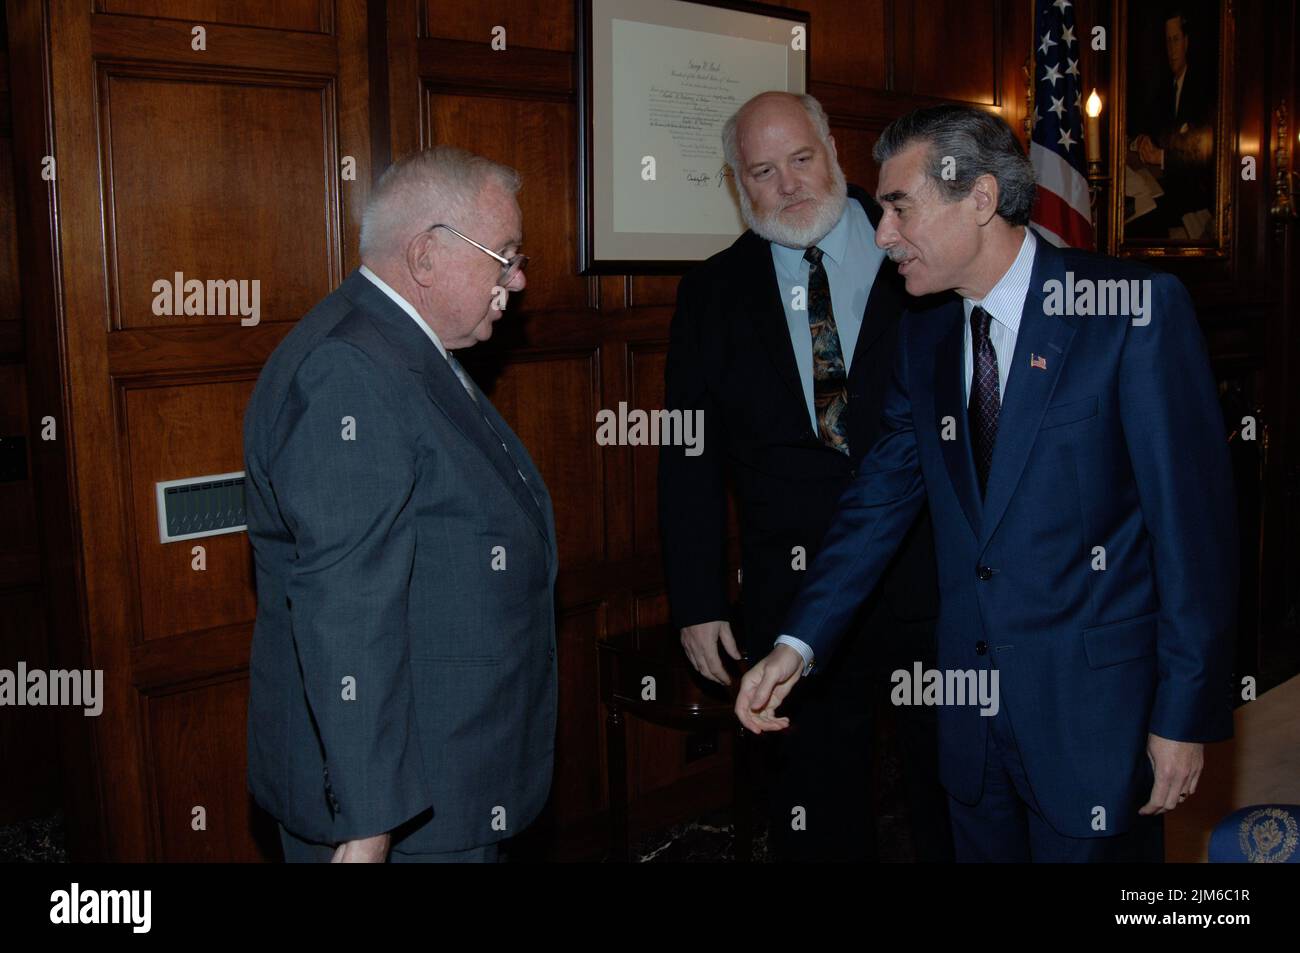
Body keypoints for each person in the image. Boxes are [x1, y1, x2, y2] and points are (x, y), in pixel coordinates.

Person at [737, 105, 1237, 862]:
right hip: (970, 733)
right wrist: (796, 644)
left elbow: (1193, 537)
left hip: (1096, 725)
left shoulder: (1130, 312)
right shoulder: (925, 335)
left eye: (900, 207)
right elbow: (877, 503)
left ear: (977, 199)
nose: (881, 234)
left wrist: (1183, 714)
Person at [243, 146, 557, 863]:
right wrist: (369, 825)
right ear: (425, 255)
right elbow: (347, 610)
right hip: (408, 807)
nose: (519, 278)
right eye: (504, 255)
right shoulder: (350, 372)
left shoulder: (398, 344)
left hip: (451, 773)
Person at [660, 91, 950, 862]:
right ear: (737, 183)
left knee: (951, 788)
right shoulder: (712, 294)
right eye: (763, 170)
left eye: (801, 159)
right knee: (817, 808)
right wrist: (695, 599)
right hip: (796, 591)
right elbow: (689, 454)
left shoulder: (920, 251)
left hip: (934, 575)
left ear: (832, 151)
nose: (788, 184)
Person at [1130, 9, 1215, 238]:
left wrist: (1162, 157)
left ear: (1187, 42)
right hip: (1164, 189)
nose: (1171, 48)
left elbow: (1204, 154)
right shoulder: (1163, 91)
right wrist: (1142, 142)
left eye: (1176, 39)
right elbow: (1150, 130)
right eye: (1167, 41)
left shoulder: (1203, 91)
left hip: (1195, 195)